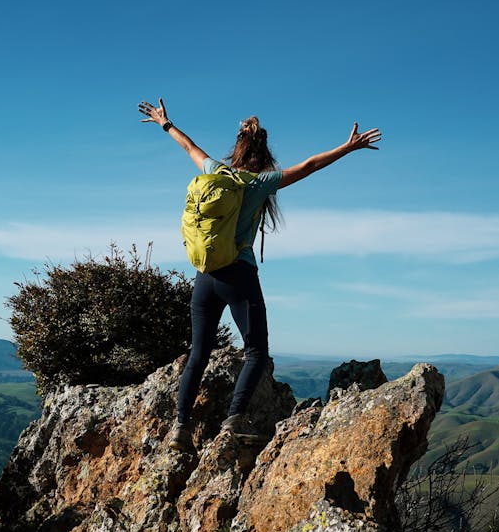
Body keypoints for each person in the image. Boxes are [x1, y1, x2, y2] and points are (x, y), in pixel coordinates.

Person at [138, 97, 382, 451]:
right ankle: (234, 421)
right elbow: (310, 165)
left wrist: (165, 123)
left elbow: (189, 146)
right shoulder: (258, 183)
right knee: (256, 351)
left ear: (236, 150)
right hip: (239, 275)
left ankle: (180, 427)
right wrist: (347, 147)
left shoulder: (212, 171)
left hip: (205, 277)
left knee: (198, 354)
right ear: (263, 156)